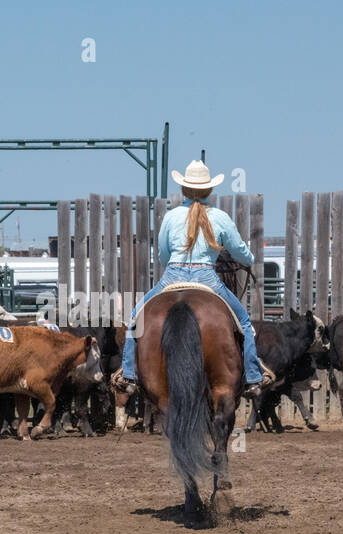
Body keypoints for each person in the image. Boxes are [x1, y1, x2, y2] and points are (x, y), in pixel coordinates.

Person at [112, 159, 273, 398]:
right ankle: (252, 377)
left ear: (184, 189)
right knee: (246, 325)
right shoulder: (220, 216)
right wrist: (248, 260)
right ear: (209, 190)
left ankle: (129, 374)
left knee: (135, 319)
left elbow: (163, 255)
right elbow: (239, 251)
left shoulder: (171, 216)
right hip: (207, 277)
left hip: (172, 275)